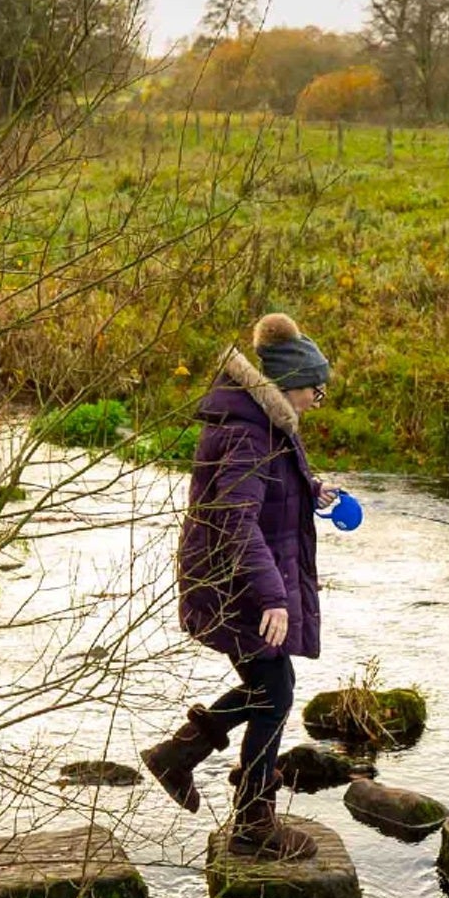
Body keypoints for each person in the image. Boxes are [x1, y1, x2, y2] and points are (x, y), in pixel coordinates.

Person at [142, 312, 338, 860]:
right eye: (314, 390)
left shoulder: (263, 420)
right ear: (288, 384)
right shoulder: (250, 432)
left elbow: (264, 493)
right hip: (233, 584)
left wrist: (311, 489)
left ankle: (181, 758)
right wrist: (273, 596)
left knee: (271, 690)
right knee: (274, 690)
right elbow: (234, 516)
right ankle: (251, 820)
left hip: (235, 576)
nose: (316, 400)